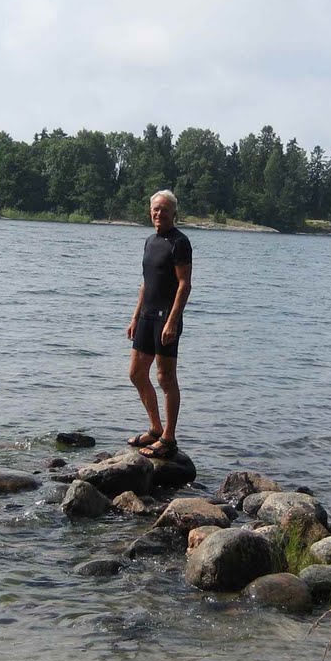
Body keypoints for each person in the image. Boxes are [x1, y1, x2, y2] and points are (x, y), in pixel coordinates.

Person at [126, 189, 192, 459]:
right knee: (136, 373)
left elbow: (184, 285)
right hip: (146, 316)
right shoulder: (150, 241)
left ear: (173, 212)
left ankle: (169, 438)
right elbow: (146, 283)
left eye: (164, 209)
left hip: (166, 318)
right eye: (155, 209)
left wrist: (172, 321)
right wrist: (134, 316)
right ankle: (155, 428)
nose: (159, 213)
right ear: (149, 211)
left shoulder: (180, 242)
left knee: (165, 378)